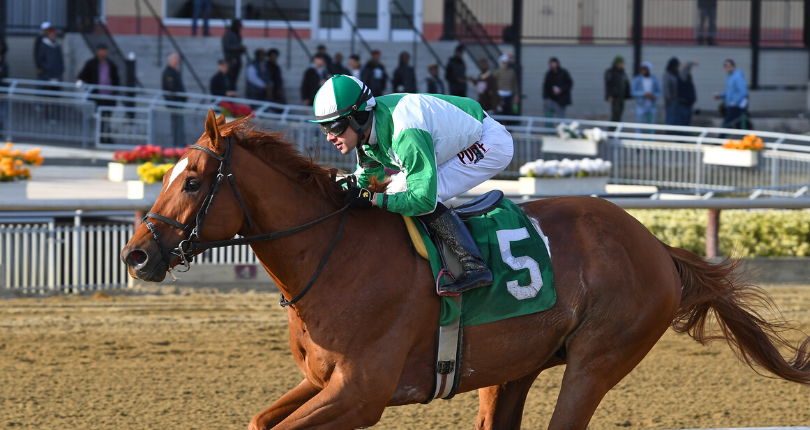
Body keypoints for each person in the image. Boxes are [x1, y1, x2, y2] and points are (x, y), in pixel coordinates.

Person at [309, 75, 514, 294]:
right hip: (455, 140)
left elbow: (423, 200)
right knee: (395, 191)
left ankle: (474, 265)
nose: (330, 137)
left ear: (358, 118)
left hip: (488, 142)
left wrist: (374, 198)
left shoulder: (405, 133)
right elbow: (368, 180)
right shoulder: (366, 135)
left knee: (411, 192)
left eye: (335, 127)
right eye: (324, 129)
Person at [77, 44, 120, 143]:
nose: (103, 53)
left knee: (106, 118)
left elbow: (115, 80)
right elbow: (82, 75)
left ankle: (106, 137)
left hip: (108, 97)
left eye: (105, 51)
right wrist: (79, 82)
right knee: (99, 118)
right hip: (97, 97)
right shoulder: (91, 63)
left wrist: (114, 92)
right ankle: (99, 137)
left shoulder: (110, 64)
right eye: (101, 50)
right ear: (97, 51)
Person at [714, 59, 749, 129]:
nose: (728, 67)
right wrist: (720, 96)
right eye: (726, 66)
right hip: (731, 105)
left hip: (736, 106)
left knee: (726, 124)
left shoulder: (737, 76)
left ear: (733, 66)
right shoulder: (729, 77)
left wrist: (735, 102)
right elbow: (729, 91)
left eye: (729, 65)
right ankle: (747, 139)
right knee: (739, 125)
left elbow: (743, 92)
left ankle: (719, 139)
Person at [162, 53, 186, 146]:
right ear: (171, 60)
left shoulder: (175, 71)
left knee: (179, 125)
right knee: (176, 125)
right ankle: (177, 144)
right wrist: (181, 95)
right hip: (174, 102)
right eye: (176, 58)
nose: (178, 60)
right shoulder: (169, 72)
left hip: (178, 102)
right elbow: (171, 87)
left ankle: (179, 143)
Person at [631, 61, 662, 128]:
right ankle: (638, 138)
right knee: (638, 125)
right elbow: (633, 92)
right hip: (641, 106)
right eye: (642, 69)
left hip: (651, 106)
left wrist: (654, 95)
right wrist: (644, 94)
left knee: (651, 126)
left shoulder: (654, 79)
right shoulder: (637, 79)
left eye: (645, 69)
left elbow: (659, 91)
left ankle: (650, 138)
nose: (644, 71)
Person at [604, 56, 630, 122]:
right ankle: (612, 130)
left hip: (621, 96)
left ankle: (617, 128)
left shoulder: (622, 72)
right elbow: (608, 84)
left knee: (619, 113)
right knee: (615, 113)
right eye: (620, 63)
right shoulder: (611, 72)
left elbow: (625, 83)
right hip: (615, 96)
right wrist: (609, 95)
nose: (621, 65)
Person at [222, 19, 246, 91]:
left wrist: (241, 49)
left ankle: (233, 91)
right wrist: (239, 48)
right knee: (230, 78)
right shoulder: (228, 34)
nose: (240, 28)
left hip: (237, 59)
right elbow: (227, 46)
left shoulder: (237, 35)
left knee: (234, 79)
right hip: (231, 60)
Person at [675, 61, 698, 127]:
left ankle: (684, 135)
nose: (690, 70)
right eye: (689, 69)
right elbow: (686, 68)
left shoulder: (688, 77)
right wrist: (691, 63)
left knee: (686, 123)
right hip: (683, 104)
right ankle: (681, 136)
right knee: (682, 123)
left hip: (688, 104)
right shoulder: (683, 76)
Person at [663, 57, 680, 126]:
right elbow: (666, 86)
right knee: (670, 116)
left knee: (676, 116)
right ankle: (669, 132)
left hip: (677, 99)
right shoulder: (668, 74)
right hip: (670, 99)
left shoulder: (676, 74)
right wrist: (668, 97)